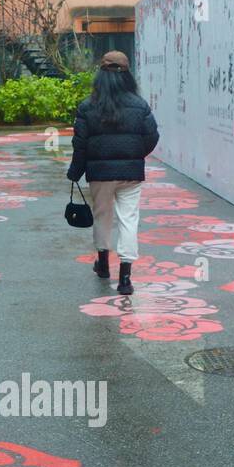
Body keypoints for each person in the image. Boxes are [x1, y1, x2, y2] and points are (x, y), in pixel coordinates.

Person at [66, 51, 160, 295]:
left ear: (100, 76)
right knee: (129, 220)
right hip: (131, 174)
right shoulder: (140, 105)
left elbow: (80, 144)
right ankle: (125, 278)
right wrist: (134, 155)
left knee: (103, 218)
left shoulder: (87, 106)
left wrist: (75, 171)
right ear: (127, 76)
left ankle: (103, 265)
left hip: (99, 175)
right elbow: (152, 137)